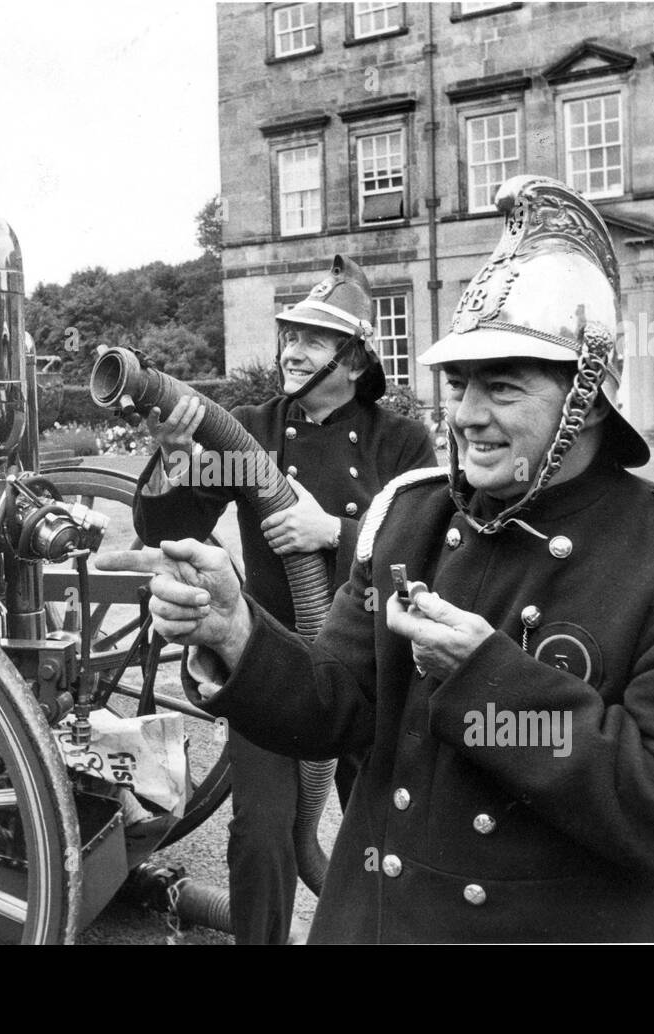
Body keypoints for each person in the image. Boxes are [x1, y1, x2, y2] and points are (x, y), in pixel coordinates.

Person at [99, 176, 654, 943]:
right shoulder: (411, 515)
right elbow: (335, 705)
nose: (468, 415)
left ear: (586, 401)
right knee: (261, 838)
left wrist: (489, 680)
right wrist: (236, 635)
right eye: (459, 382)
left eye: (505, 387)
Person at [131, 254, 435, 944]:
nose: (292, 351)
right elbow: (165, 529)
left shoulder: (400, 441)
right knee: (262, 835)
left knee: (386, 830)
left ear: (354, 361)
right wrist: (176, 459)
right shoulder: (254, 435)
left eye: (313, 340)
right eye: (289, 336)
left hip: (372, 671)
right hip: (270, 658)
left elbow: (433, 548)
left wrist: (337, 530)